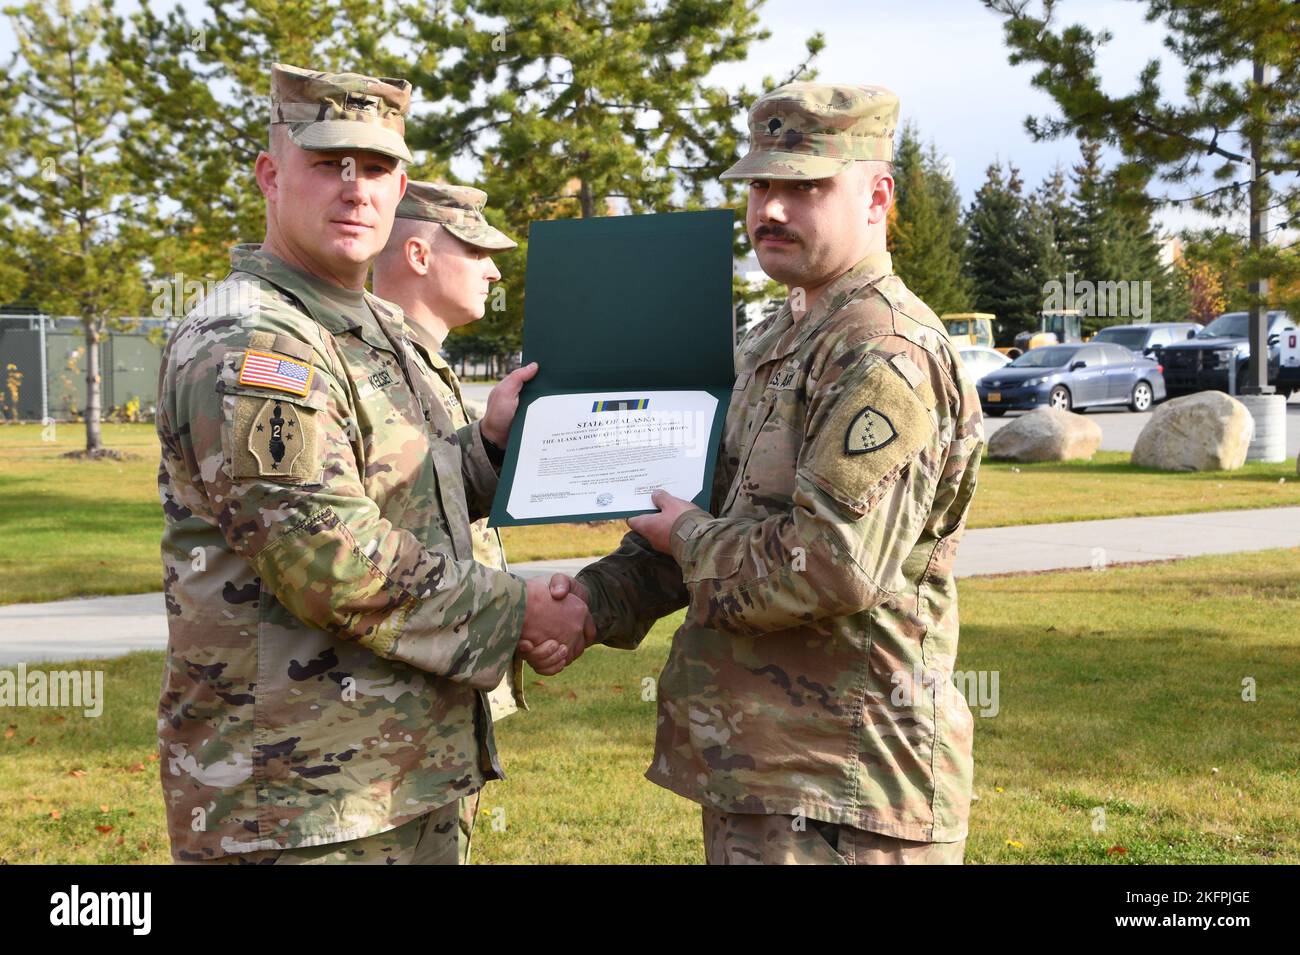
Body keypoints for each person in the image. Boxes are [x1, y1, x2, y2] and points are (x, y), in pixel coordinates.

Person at [155, 63, 591, 865]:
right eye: (329, 163)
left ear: (400, 189)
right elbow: (325, 552)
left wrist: (489, 449)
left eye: (379, 166)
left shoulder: (370, 325)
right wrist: (513, 610)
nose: (356, 189)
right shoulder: (252, 340)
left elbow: (401, 490)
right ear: (271, 174)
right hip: (296, 805)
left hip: (402, 776)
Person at [548, 83, 987, 864]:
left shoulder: (883, 351)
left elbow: (828, 566)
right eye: (760, 185)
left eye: (805, 186)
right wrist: (590, 602)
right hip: (764, 779)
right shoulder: (773, 337)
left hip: (850, 793)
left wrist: (685, 533)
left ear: (877, 195)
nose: (772, 209)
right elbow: (705, 512)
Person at [371, 179, 532, 863]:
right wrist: (523, 613)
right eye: (475, 249)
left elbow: (430, 501)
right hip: (378, 735)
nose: (494, 268)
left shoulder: (420, 367)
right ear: (416, 253)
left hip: (436, 710)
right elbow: (368, 538)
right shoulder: (369, 369)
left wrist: (491, 440)